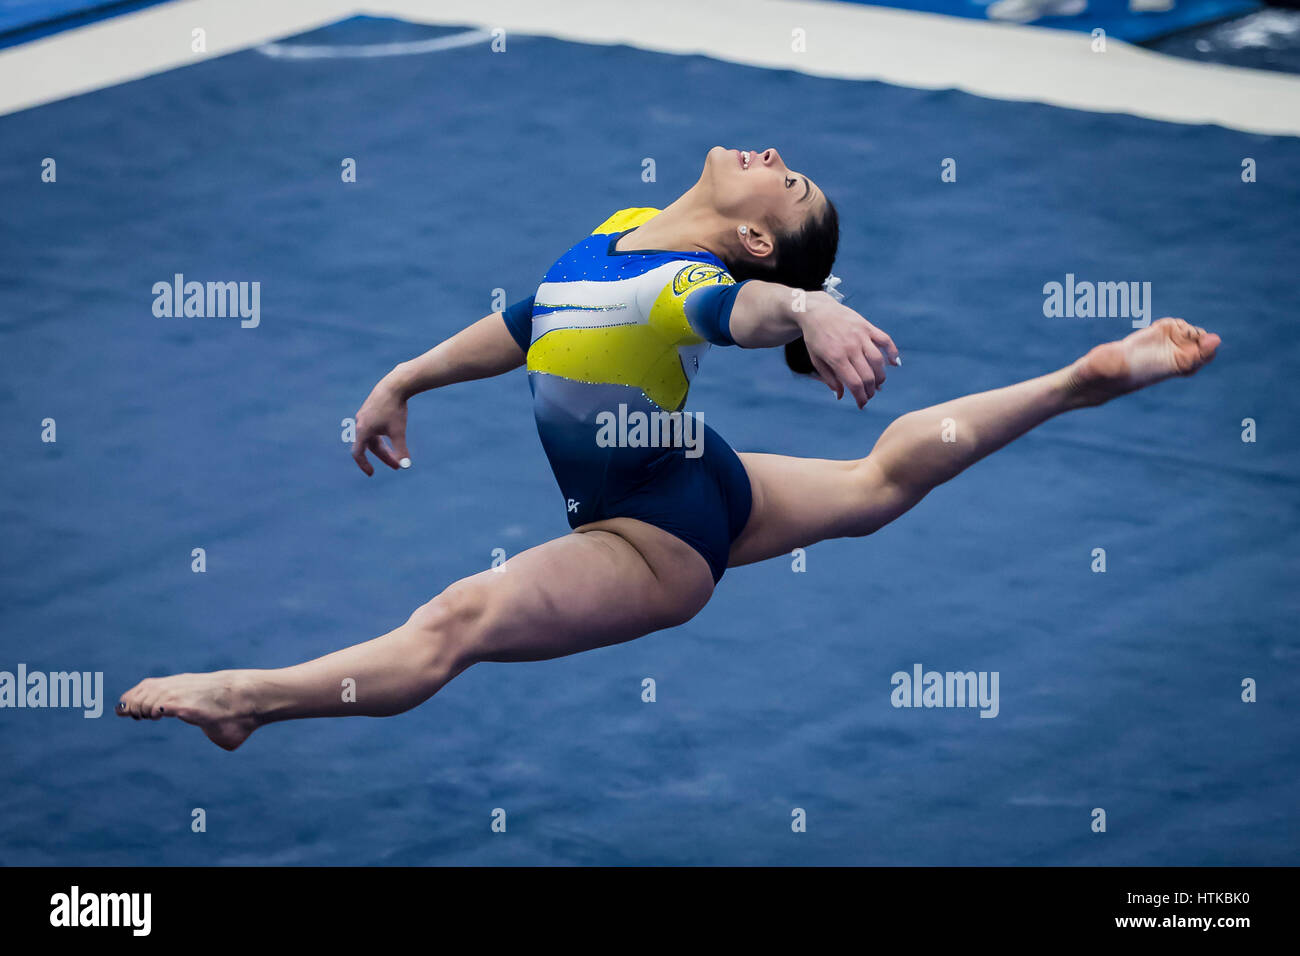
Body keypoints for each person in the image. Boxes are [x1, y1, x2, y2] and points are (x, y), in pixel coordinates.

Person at [116, 147, 1219, 750]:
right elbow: (529, 318)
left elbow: (741, 317)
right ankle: (1079, 379)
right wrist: (403, 377)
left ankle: (250, 695)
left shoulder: (686, 284)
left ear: (753, 242)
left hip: (649, 541)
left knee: (453, 623)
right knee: (877, 480)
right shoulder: (626, 227)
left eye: (784, 186)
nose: (774, 156)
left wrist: (807, 311)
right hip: (698, 477)